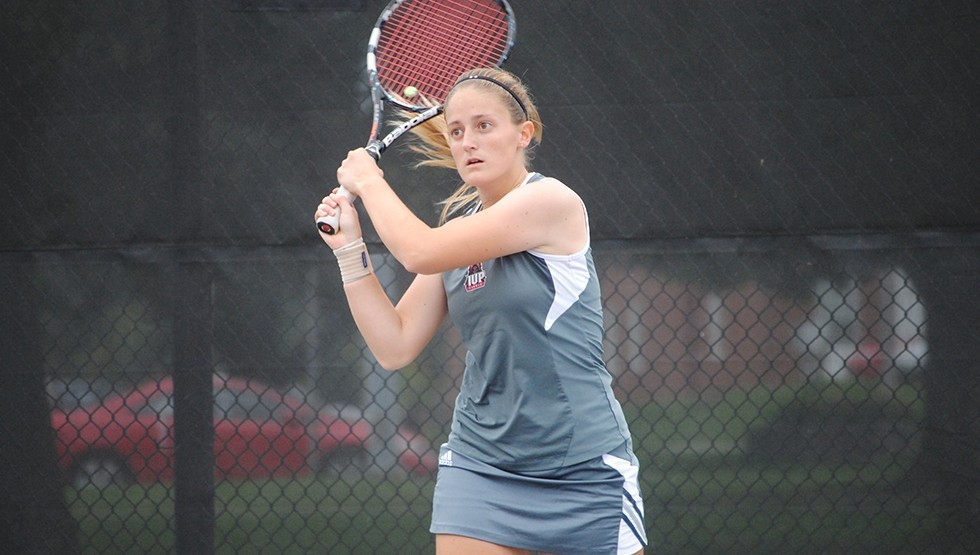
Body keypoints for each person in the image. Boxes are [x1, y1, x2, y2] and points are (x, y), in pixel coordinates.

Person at [315, 67, 648, 555]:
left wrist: (368, 182)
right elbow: (395, 344)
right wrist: (350, 251)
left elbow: (418, 251)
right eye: (456, 131)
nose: (467, 141)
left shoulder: (551, 201)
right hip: (482, 464)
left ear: (523, 134)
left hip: (582, 464)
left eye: (484, 126)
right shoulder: (459, 232)